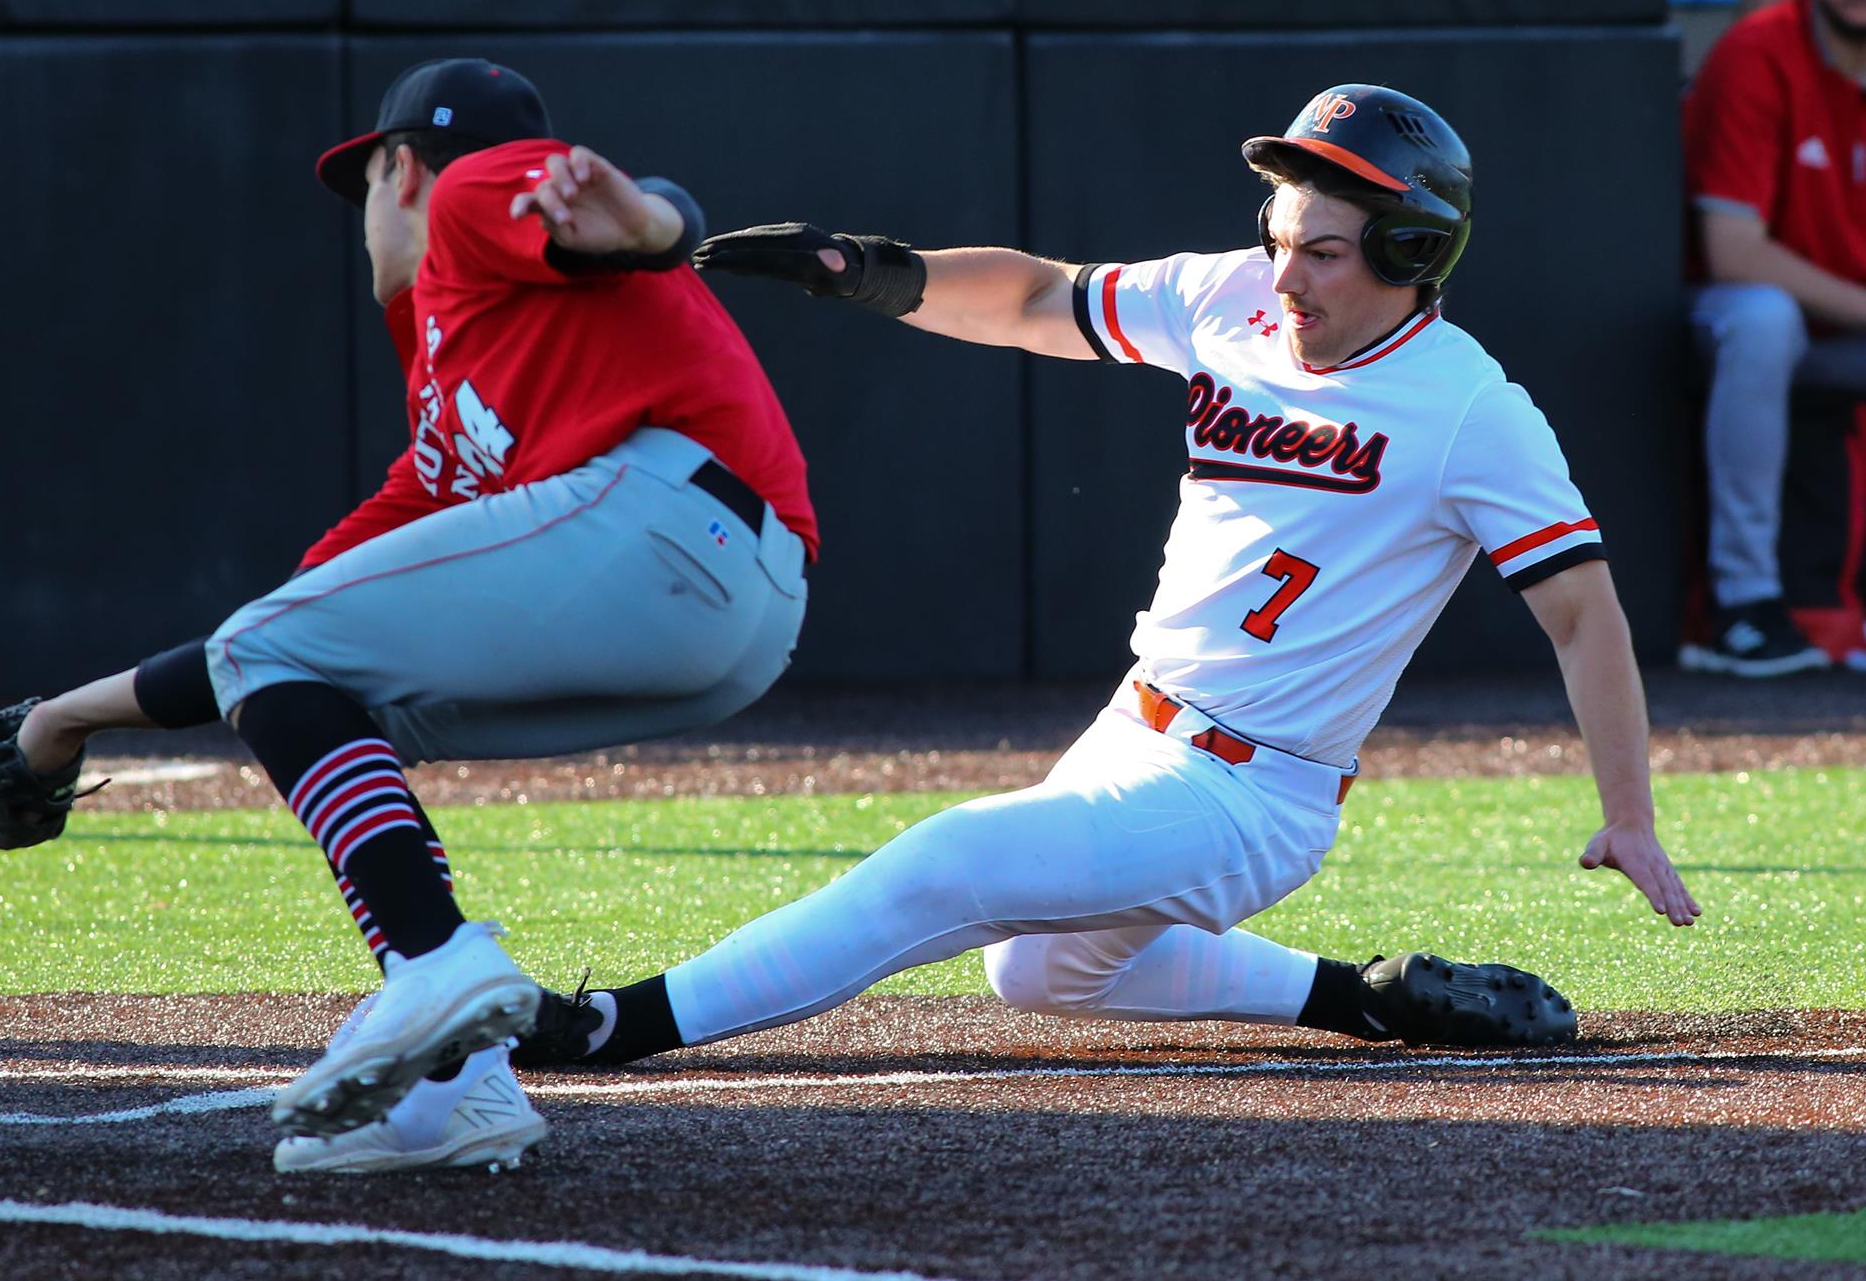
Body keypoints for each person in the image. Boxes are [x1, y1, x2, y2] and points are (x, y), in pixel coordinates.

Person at [513, 84, 1700, 1076]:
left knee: (948, 862)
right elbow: (1037, 296)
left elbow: (1580, 612)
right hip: (1134, 728)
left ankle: (613, 1022)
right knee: (1032, 969)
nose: (1285, 276)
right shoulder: (1232, 294)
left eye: (1322, 253)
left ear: (1412, 249)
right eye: (1279, 238)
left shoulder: (1468, 412)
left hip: (1254, 793)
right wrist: (866, 269)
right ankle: (1376, 998)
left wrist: (1628, 815)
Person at [0, 57, 818, 1172]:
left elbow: (640, 218)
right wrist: (56, 722)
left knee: (285, 660)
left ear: (400, 168)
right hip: (735, 621)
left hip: (671, 522)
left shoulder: (469, 200)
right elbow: (254, 655)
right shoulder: (451, 413)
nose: (369, 219)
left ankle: (439, 968)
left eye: (368, 190)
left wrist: (644, 216)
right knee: (309, 690)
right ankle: (464, 1079)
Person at [1680, 0, 1866, 675]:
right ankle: (1746, 604)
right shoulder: (1759, 51)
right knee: (1763, 319)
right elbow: (1734, 252)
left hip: (1842, 314)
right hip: (1718, 313)